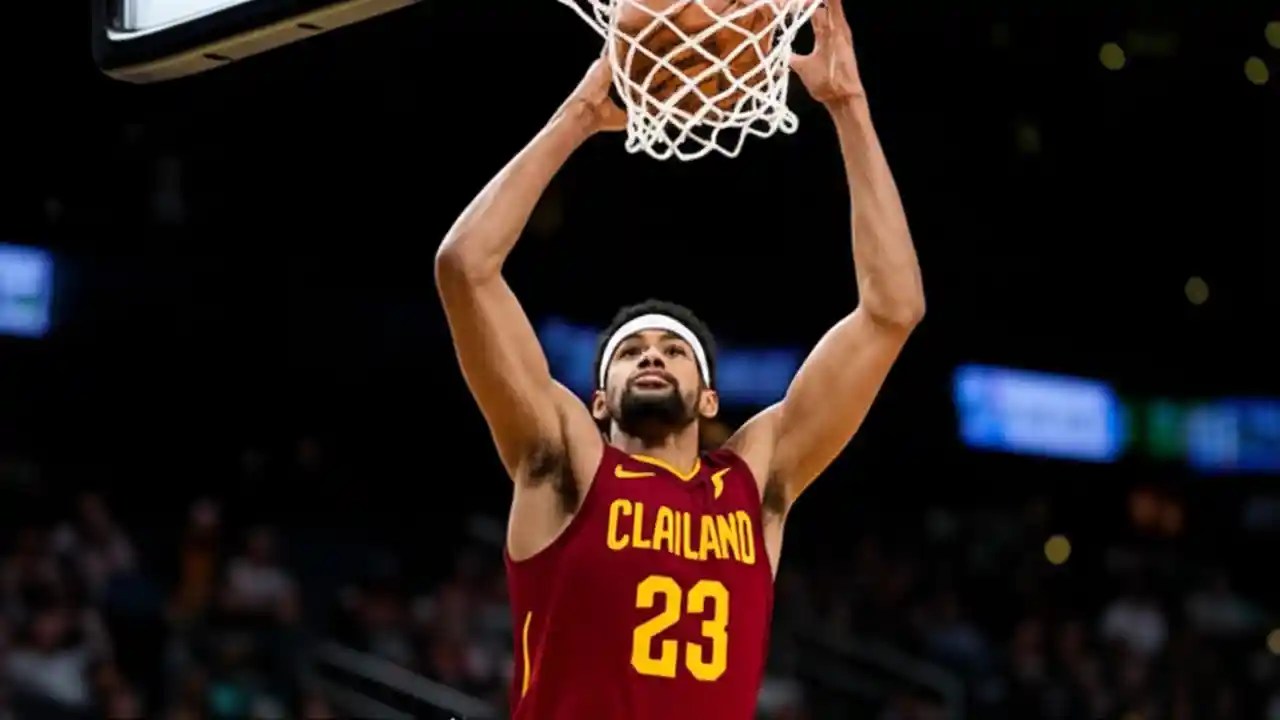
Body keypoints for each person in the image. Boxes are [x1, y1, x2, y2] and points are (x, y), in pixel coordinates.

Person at [434, 2, 924, 717]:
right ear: (597, 401)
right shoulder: (566, 464)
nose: (651, 356)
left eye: (672, 349)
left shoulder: (755, 482)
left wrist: (849, 108)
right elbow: (464, 268)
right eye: (630, 352)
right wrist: (576, 117)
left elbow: (892, 312)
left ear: (708, 399)